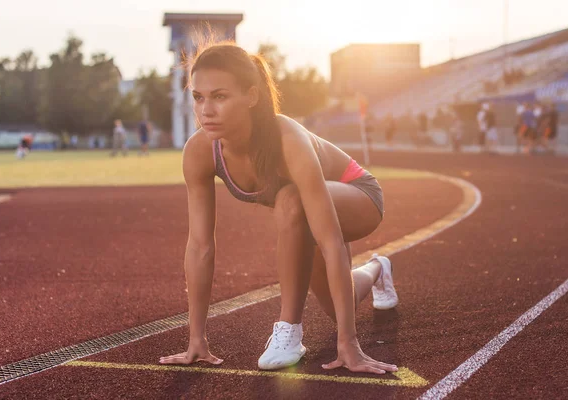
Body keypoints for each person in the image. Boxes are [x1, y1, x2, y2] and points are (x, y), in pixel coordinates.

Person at [159, 42, 399, 375]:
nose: (206, 110)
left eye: (220, 96)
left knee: (290, 200)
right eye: (199, 97)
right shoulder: (199, 151)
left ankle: (289, 331)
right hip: (308, 214)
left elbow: (329, 241)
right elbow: (200, 246)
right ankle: (377, 270)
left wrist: (349, 343)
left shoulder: (287, 139)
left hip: (357, 196)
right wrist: (195, 338)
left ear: (252, 96)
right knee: (334, 303)